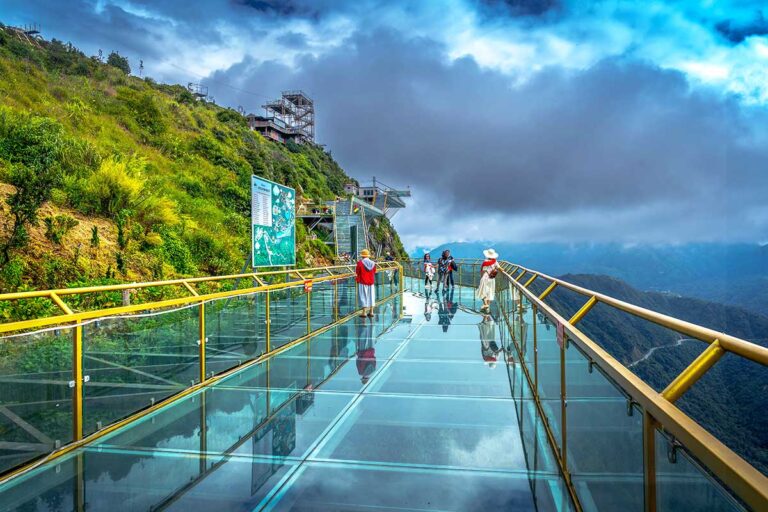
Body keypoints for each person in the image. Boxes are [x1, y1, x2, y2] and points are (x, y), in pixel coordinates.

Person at [476, 248, 499, 312]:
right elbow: (498, 267)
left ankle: (485, 304)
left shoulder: (485, 262)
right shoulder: (495, 261)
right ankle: (487, 306)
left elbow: (483, 270)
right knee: (490, 292)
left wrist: (481, 277)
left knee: (482, 291)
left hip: (485, 277)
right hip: (492, 278)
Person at [356, 248, 376, 317]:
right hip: (371, 282)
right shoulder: (373, 263)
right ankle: (371, 312)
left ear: (362, 256)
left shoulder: (360, 263)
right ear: (368, 256)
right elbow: (374, 272)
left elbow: (357, 272)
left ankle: (364, 312)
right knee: (371, 296)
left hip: (363, 281)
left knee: (363, 296)